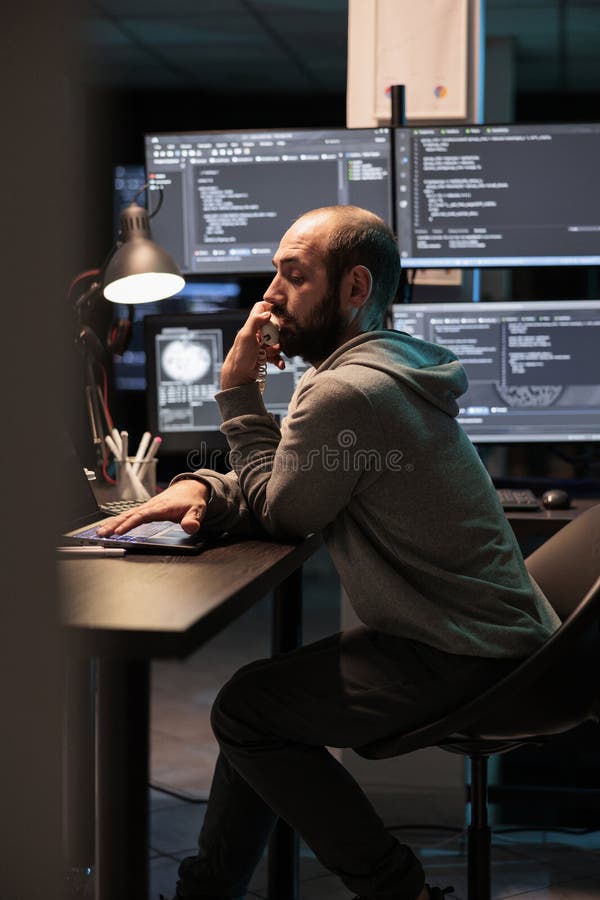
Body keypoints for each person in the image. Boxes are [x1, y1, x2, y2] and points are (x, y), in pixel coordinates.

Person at [98, 206, 560, 900]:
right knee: (258, 701)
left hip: (465, 654)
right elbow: (299, 481)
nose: (270, 296)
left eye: (292, 275)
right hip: (485, 637)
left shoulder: (345, 391)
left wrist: (237, 391)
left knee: (247, 711)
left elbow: (285, 512)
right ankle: (210, 890)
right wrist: (203, 484)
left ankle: (395, 890)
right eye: (273, 274)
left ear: (353, 288)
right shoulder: (387, 368)